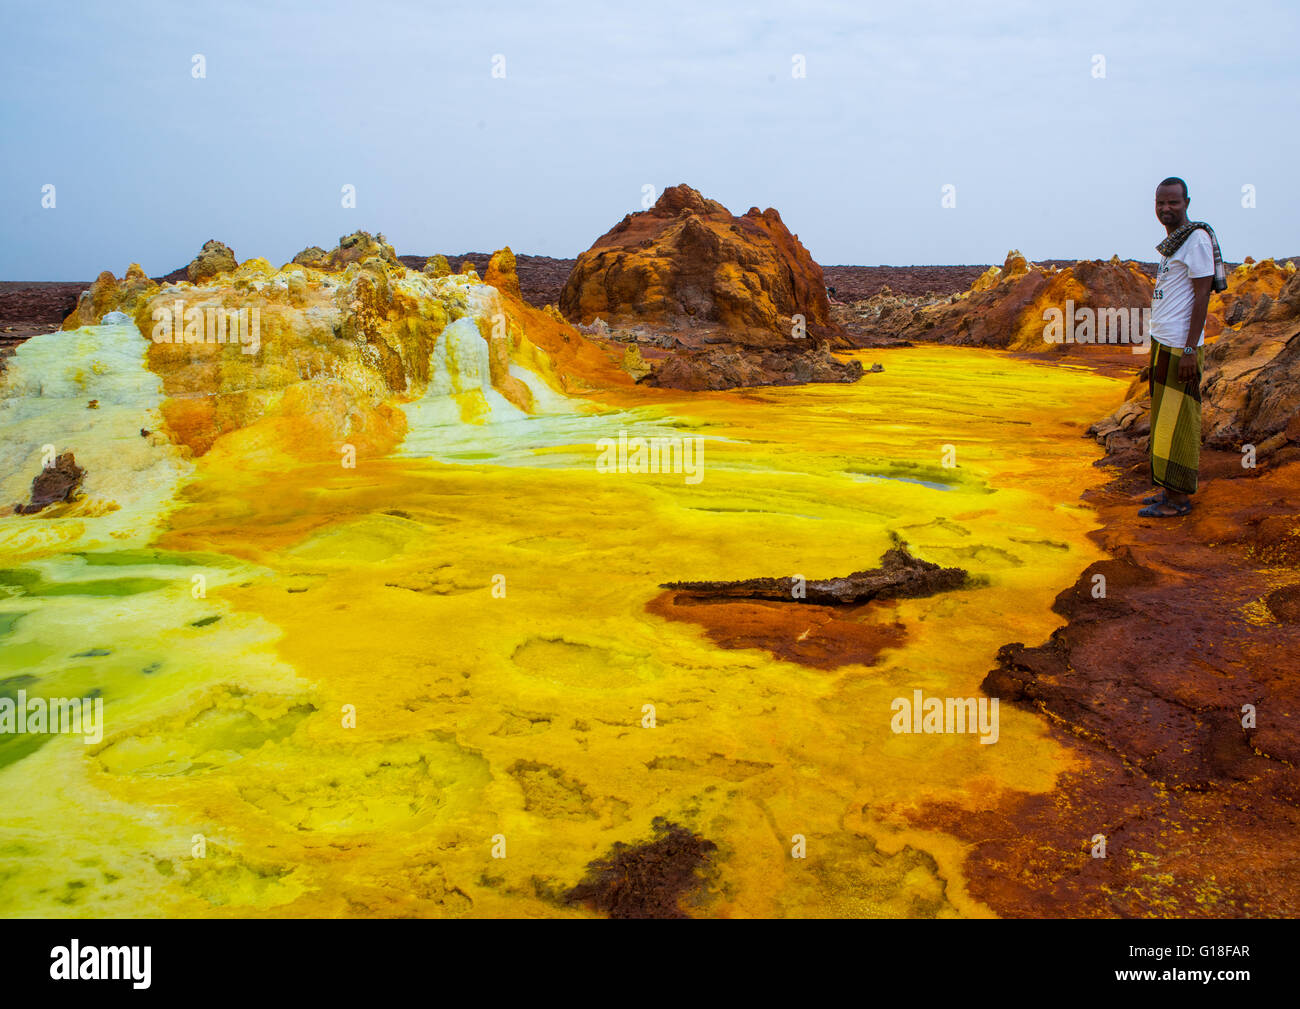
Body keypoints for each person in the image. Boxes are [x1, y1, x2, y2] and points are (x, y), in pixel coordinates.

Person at [1139, 177, 1226, 518]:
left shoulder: (1197, 241)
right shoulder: (1175, 244)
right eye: (1160, 203)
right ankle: (1167, 490)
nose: (1166, 209)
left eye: (1173, 202)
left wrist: (1190, 350)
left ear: (1187, 201)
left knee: (1180, 422)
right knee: (1164, 419)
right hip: (1165, 343)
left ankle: (1177, 501)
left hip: (1180, 347)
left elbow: (1202, 296)